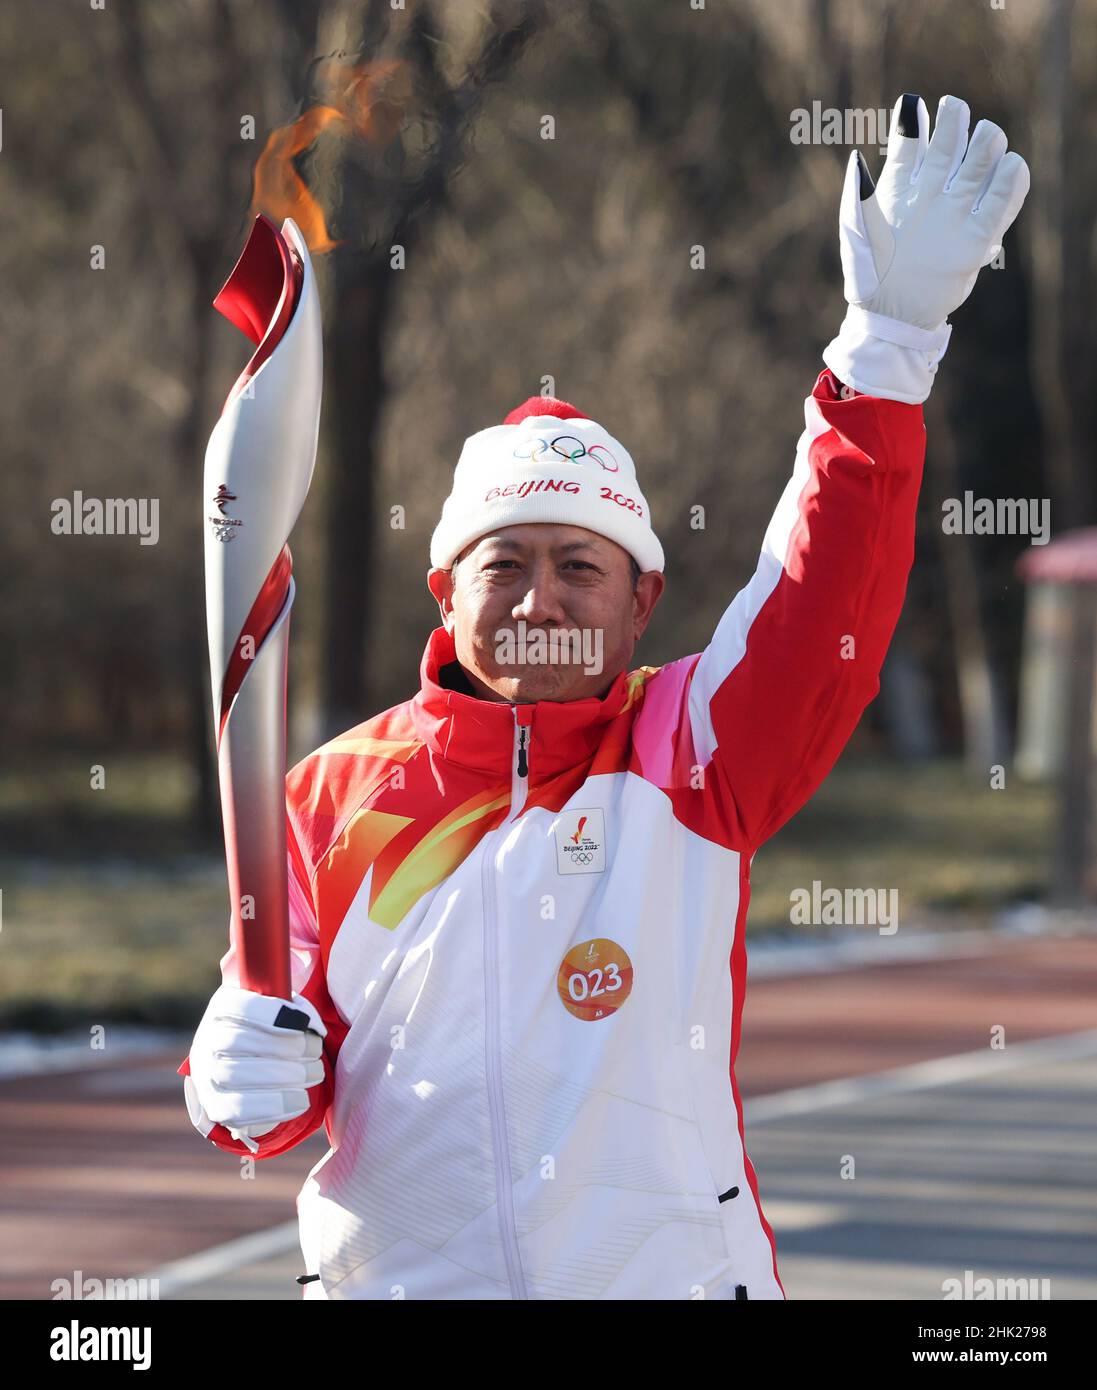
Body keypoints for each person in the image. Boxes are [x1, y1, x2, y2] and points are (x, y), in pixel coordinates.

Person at [179, 92, 1029, 1300]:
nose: (540, 600)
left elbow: (816, 597)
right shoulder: (329, 795)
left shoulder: (691, 754)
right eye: (505, 564)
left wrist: (883, 351)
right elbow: (276, 1080)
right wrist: (231, 1077)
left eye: (580, 567)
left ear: (639, 604)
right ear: (445, 593)